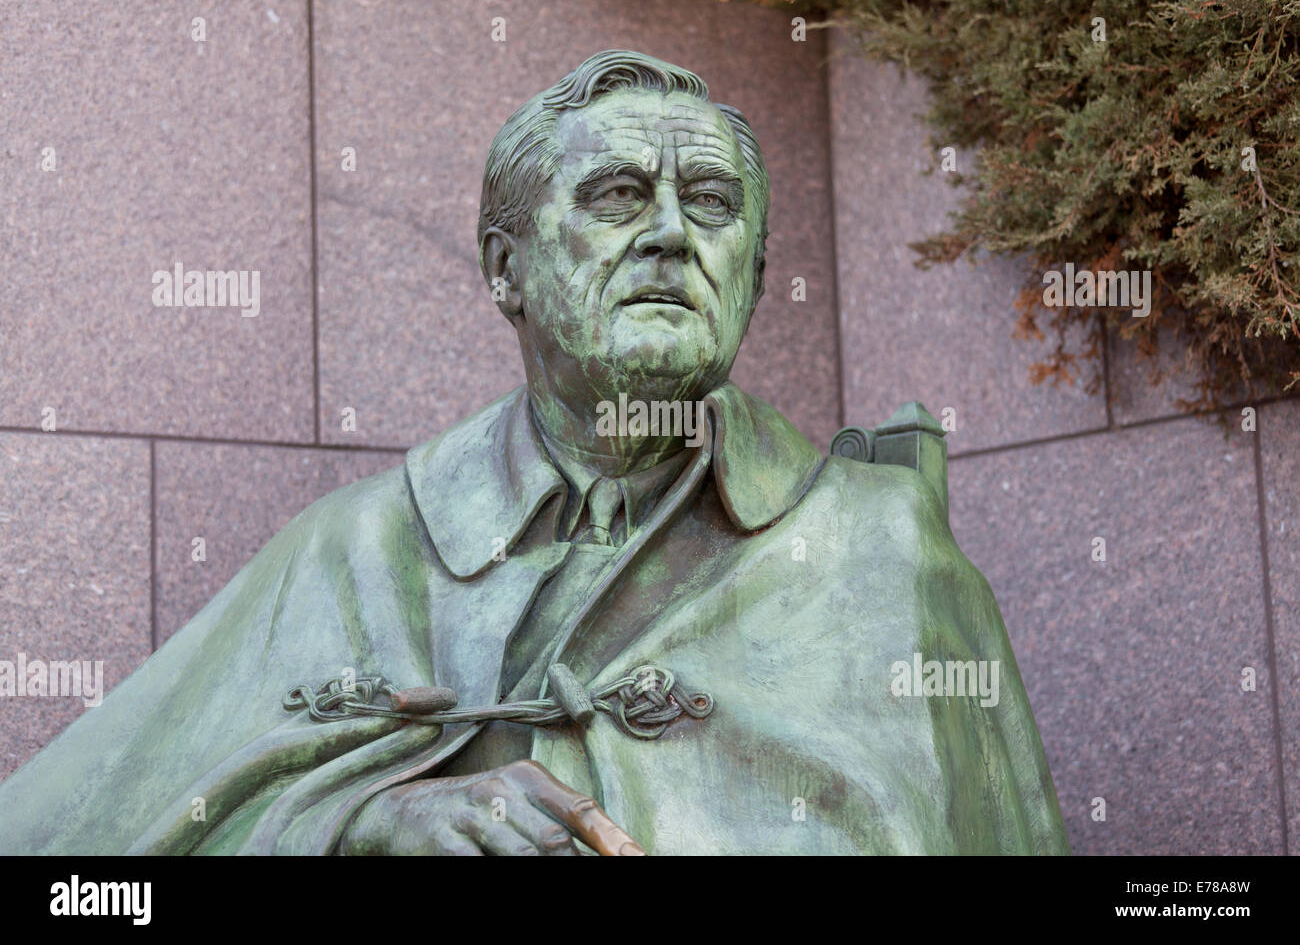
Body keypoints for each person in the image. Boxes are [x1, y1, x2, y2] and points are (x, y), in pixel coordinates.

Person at [0, 50, 1068, 855]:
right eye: (614, 196)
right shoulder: (354, 552)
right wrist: (363, 820)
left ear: (753, 269)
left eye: (709, 204)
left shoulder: (879, 546)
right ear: (504, 266)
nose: (668, 235)